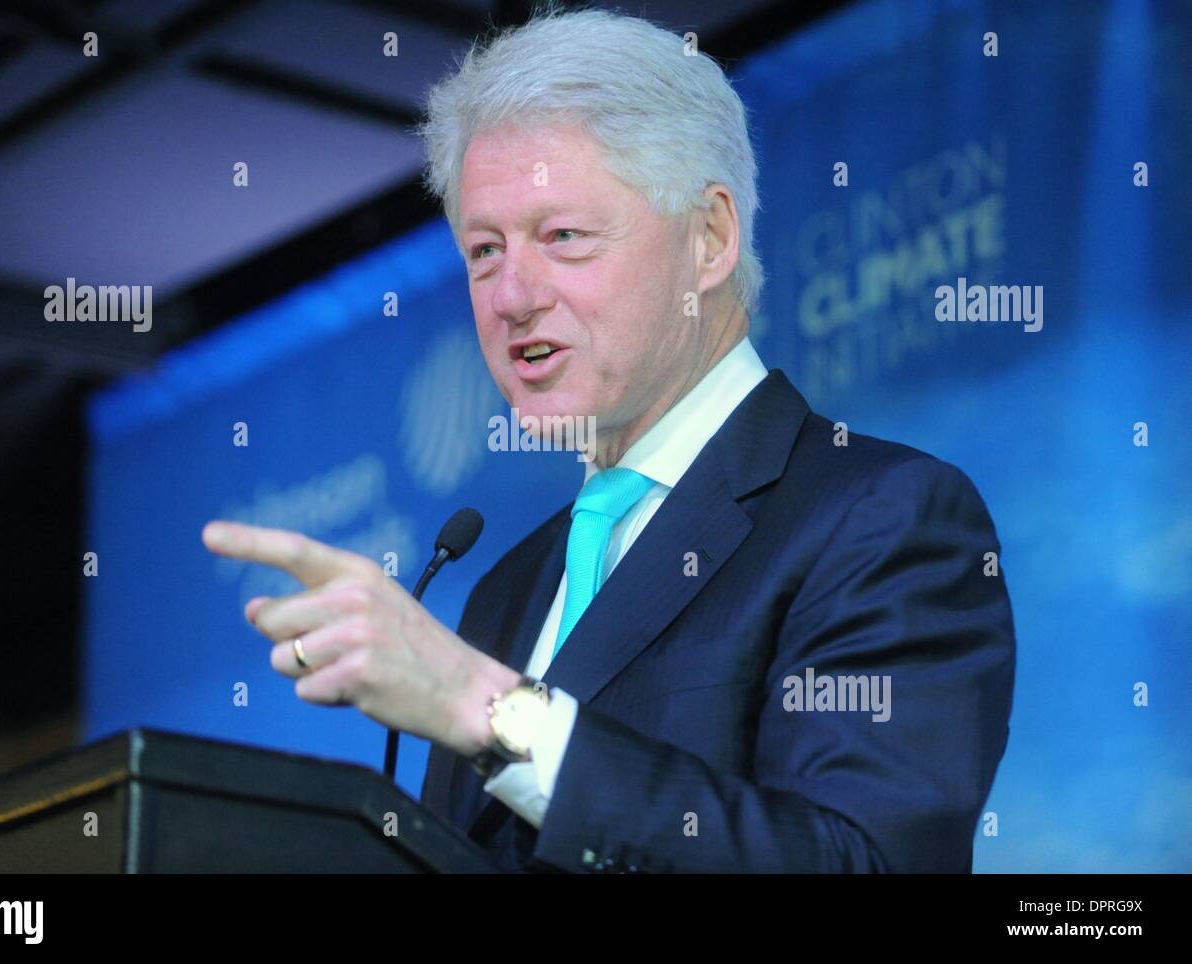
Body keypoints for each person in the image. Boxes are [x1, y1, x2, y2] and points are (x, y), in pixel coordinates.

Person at [203, 6, 1015, 873]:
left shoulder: (881, 519)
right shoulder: (503, 595)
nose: (512, 294)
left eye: (562, 236)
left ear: (708, 238)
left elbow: (861, 864)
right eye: (483, 249)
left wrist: (487, 707)